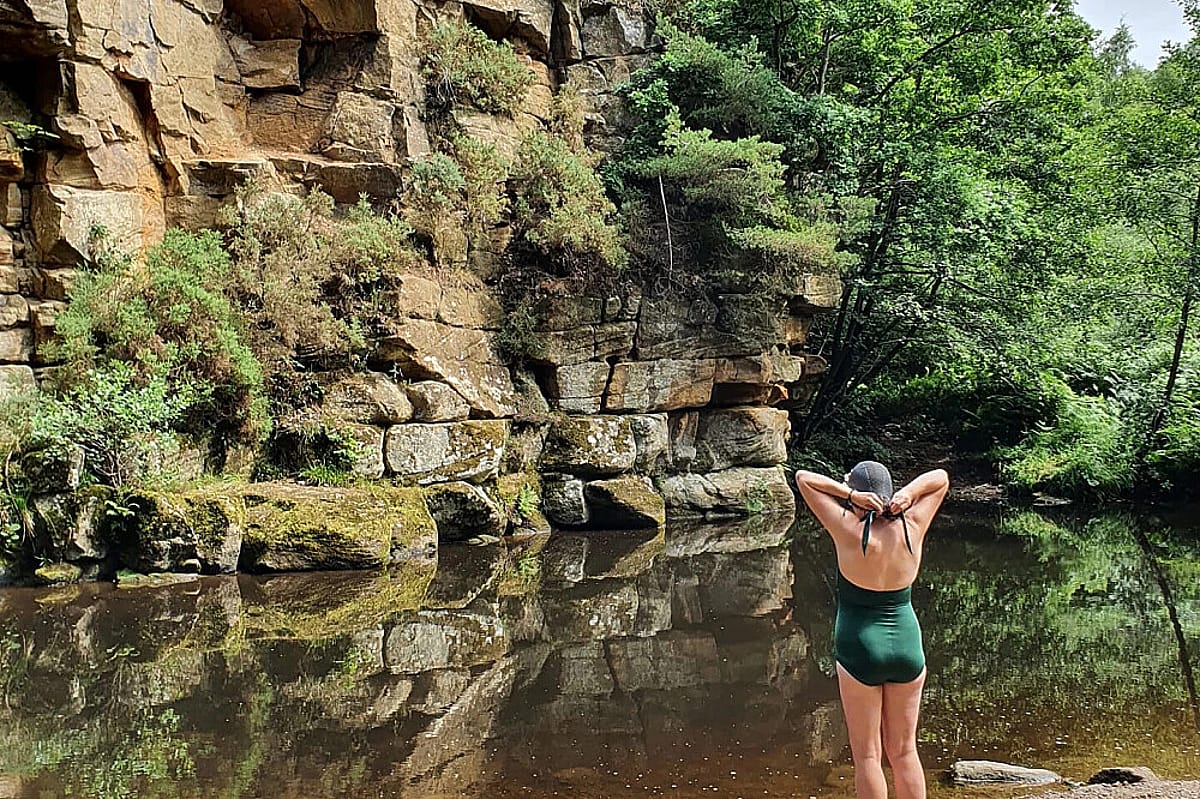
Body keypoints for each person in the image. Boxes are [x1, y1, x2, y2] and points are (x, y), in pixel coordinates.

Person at [794, 462, 950, 799]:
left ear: (860, 495)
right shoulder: (913, 525)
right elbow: (940, 478)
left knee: (867, 756)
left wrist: (849, 495)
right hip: (907, 644)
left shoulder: (846, 529)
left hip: (860, 645)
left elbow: (804, 479)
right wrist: (908, 495)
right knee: (905, 751)